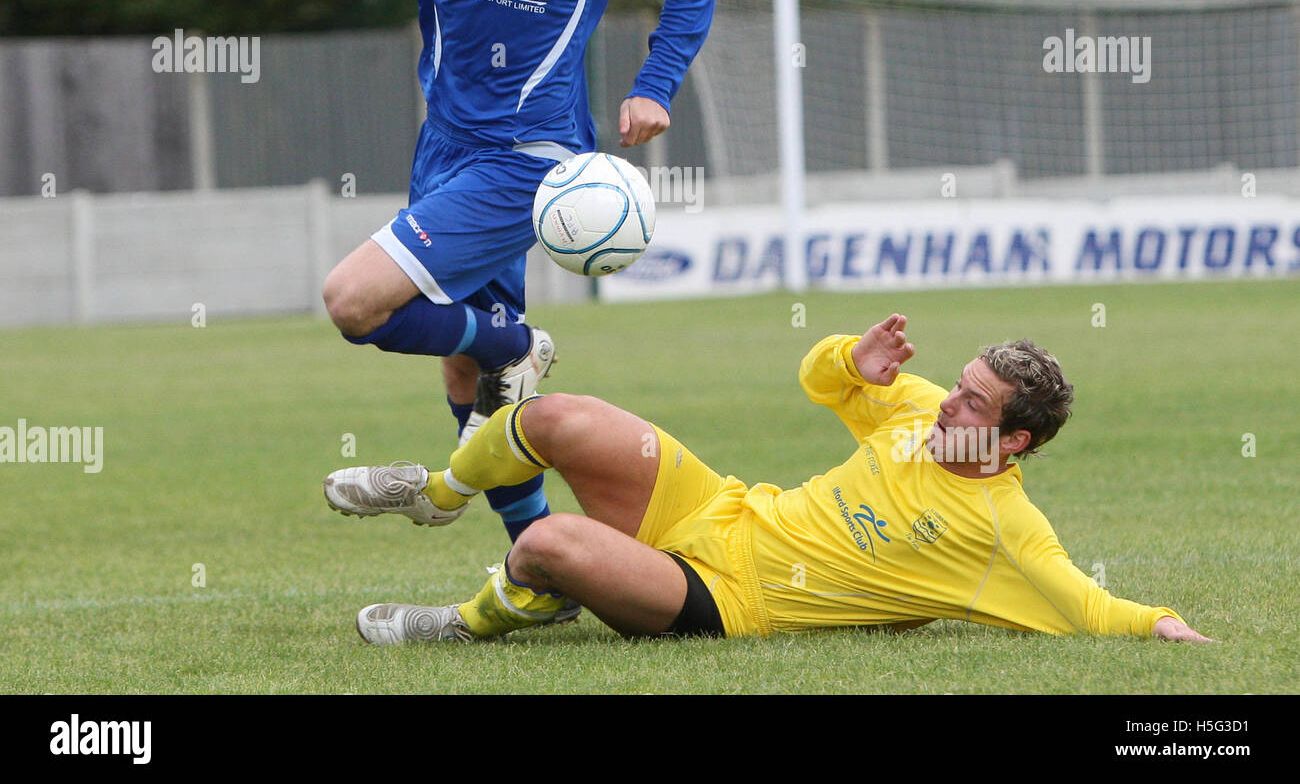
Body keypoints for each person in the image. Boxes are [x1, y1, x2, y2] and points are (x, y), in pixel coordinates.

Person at [266, 0, 715, 544]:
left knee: (354, 302)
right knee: (466, 368)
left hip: (532, 157)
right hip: (444, 147)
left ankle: (517, 345)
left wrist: (655, 83)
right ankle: (539, 562)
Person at [324, 313, 1211, 644]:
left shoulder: (1001, 529)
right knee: (557, 417)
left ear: (1015, 443)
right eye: (959, 386)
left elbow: (1083, 606)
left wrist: (1164, 625)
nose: (948, 407)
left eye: (974, 406)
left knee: (548, 542)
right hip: (719, 507)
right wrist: (849, 359)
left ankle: (466, 625)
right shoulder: (918, 408)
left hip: (724, 596)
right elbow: (818, 383)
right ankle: (439, 497)